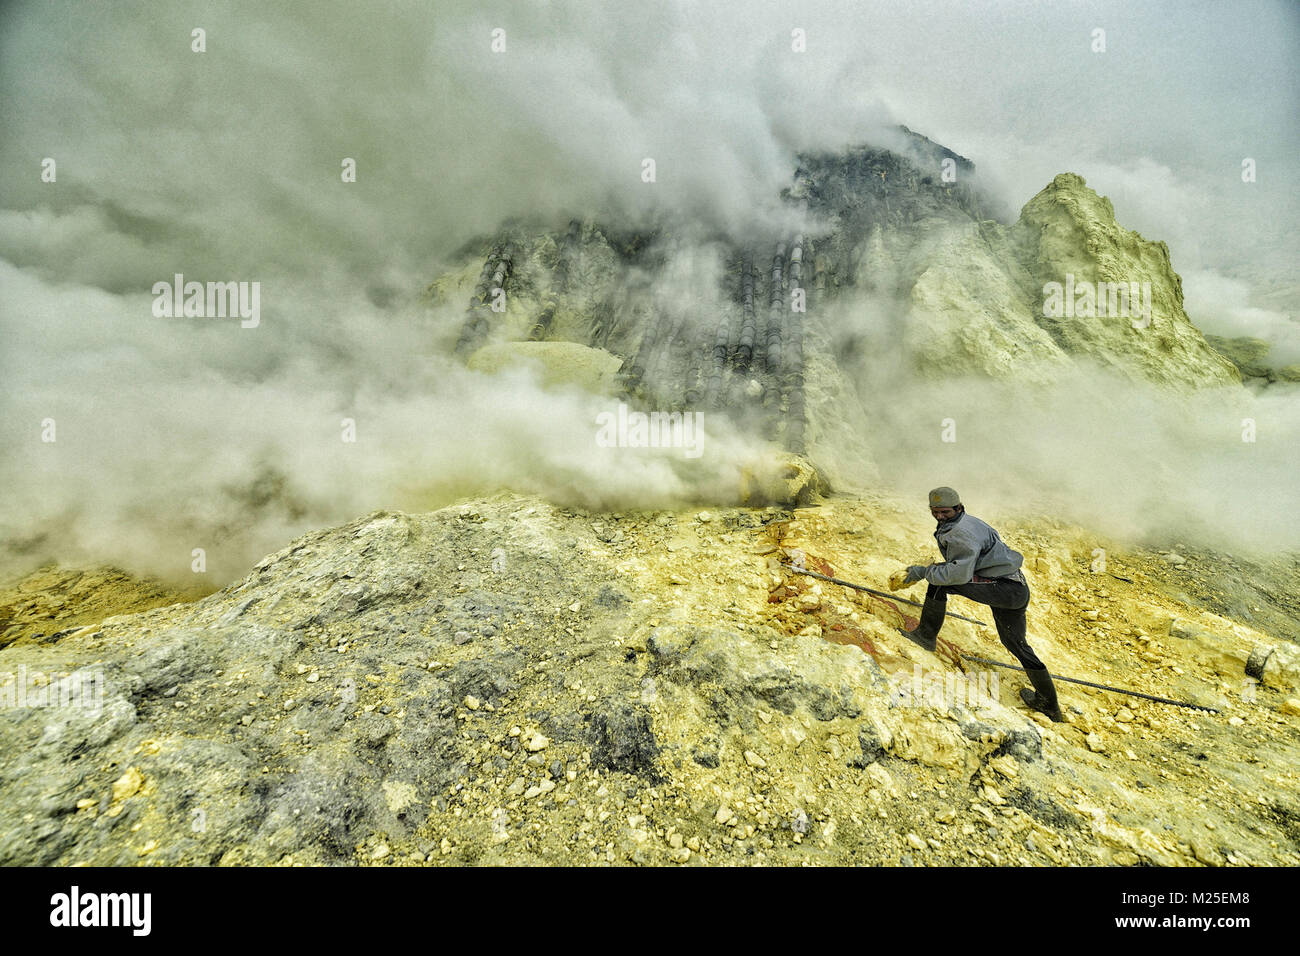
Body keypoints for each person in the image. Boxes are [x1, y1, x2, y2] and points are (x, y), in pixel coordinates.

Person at [887, 486, 1063, 722]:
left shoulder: (961, 533)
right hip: (1014, 588)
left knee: (939, 583)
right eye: (935, 512)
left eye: (945, 512)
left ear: (958, 508)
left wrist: (921, 572)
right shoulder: (968, 522)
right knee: (1015, 643)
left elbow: (958, 574)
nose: (940, 516)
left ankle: (925, 636)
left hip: (1003, 588)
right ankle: (1049, 704)